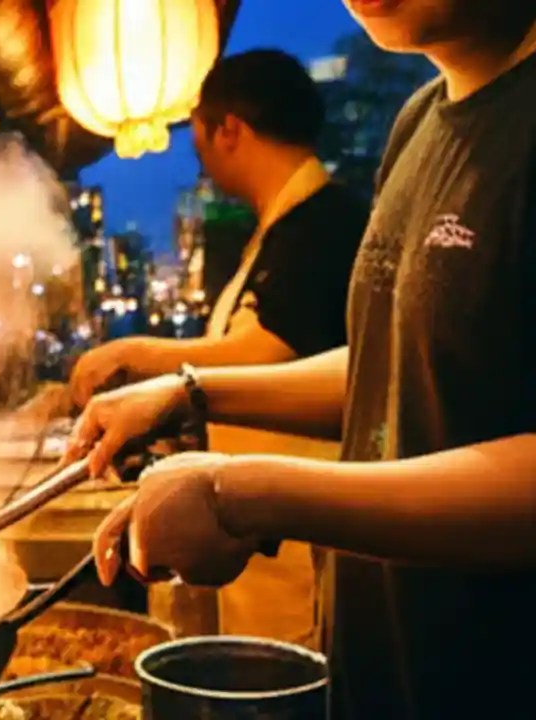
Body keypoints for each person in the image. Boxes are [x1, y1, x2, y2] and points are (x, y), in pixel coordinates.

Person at [66, 1, 536, 716]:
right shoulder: (419, 122)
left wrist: (246, 493)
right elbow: (394, 363)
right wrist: (193, 393)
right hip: (381, 672)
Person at [67, 49, 370, 647]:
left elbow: (271, 351)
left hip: (296, 546)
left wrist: (142, 361)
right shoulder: (279, 227)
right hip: (258, 539)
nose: (199, 158)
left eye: (199, 137)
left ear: (229, 129)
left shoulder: (324, 222)